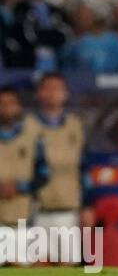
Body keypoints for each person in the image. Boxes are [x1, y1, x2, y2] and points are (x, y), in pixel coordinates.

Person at [29, 72, 88, 263]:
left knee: (67, 269)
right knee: (35, 268)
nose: (52, 93)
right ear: (39, 93)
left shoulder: (76, 126)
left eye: (57, 89)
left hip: (68, 210)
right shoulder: (26, 126)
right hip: (35, 210)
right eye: (48, 88)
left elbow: (84, 168)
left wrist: (88, 205)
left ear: (65, 94)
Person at [0, 87, 39, 232]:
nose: (6, 108)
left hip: (25, 219)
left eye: (11, 103)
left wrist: (19, 187)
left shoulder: (33, 136)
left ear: (19, 107)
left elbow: (44, 175)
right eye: (2, 103)